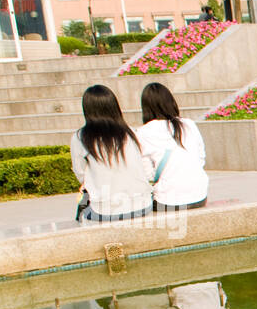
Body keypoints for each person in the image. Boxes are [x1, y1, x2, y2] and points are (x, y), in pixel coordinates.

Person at [70, 84, 154, 223]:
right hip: (142, 206)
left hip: (105, 211)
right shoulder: (131, 133)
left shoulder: (80, 137)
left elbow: (80, 174)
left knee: (81, 212)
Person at [137, 82, 207, 212]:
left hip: (168, 201)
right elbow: (201, 158)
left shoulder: (143, 132)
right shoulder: (189, 124)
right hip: (200, 196)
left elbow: (147, 174)